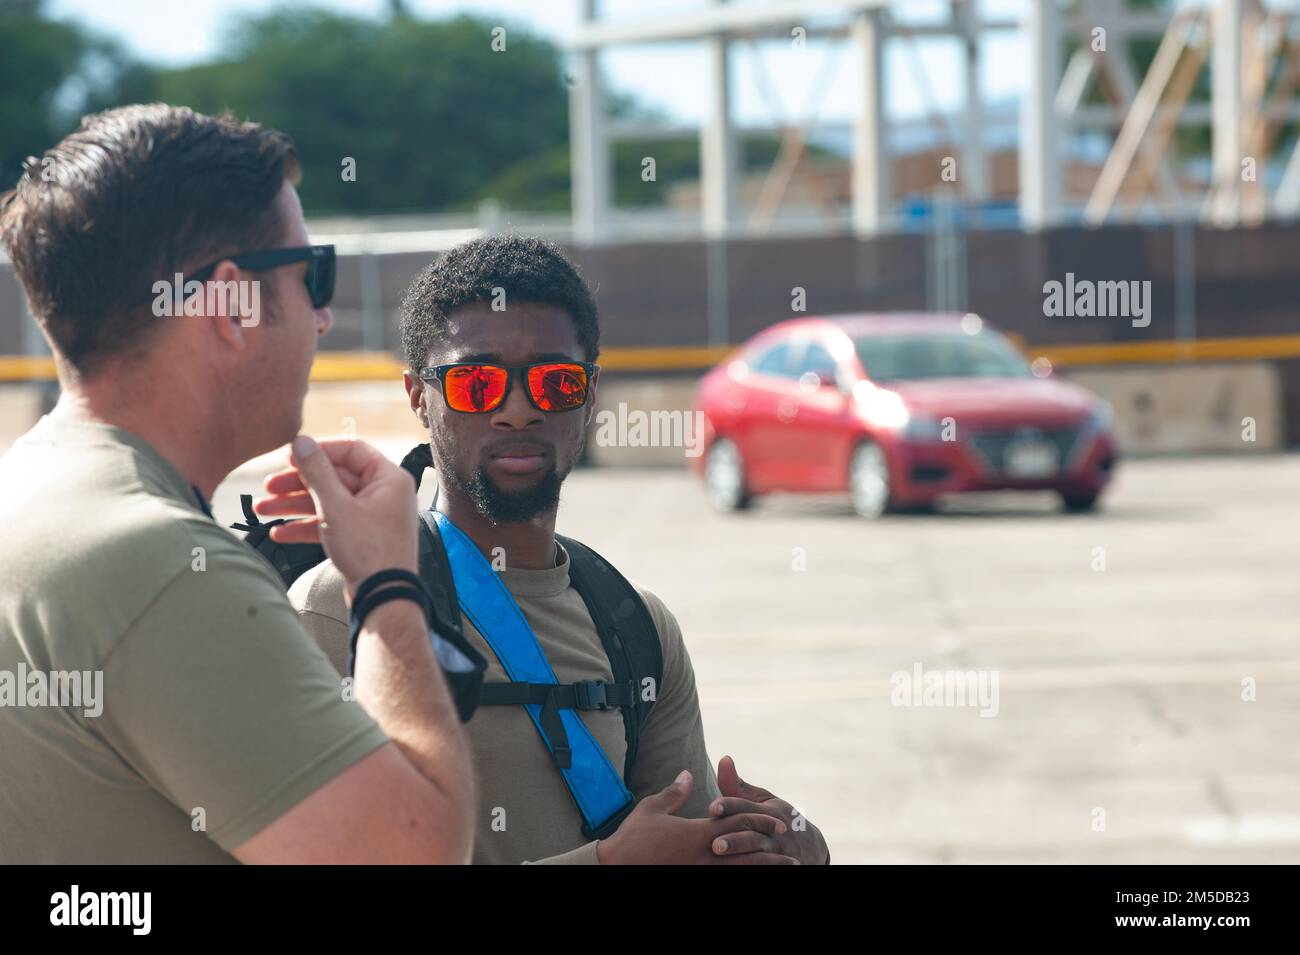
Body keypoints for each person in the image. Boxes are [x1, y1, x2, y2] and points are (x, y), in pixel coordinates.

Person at [0, 104, 473, 863]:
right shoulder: (153, 559)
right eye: (312, 274)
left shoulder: (30, 488)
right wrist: (386, 583)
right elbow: (412, 852)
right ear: (229, 304)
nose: (321, 318)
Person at [288, 236, 830, 864]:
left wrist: (790, 847)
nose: (518, 411)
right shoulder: (340, 608)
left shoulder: (637, 625)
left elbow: (687, 847)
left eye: (554, 381)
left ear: (590, 390)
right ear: (418, 396)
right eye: (476, 383)